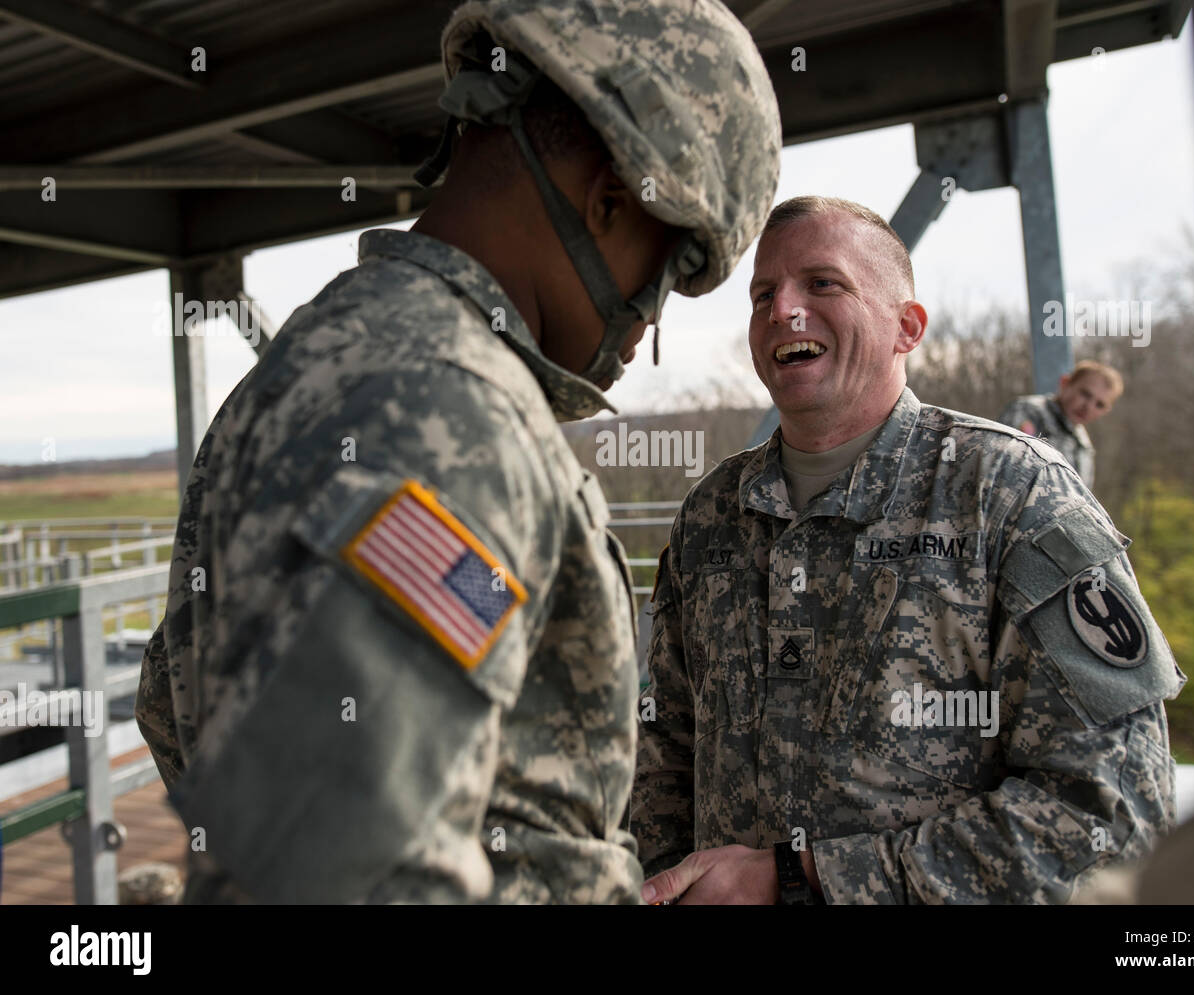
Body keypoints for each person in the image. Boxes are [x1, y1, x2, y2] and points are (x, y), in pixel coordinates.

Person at [134, 0, 781, 904]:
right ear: (610, 201)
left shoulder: (321, 359)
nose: (650, 327)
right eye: (668, 271)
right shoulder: (451, 410)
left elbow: (174, 705)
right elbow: (348, 866)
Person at [631, 196, 1184, 905]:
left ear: (907, 327)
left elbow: (1116, 812)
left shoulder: (1012, 494)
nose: (782, 309)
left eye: (822, 283)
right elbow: (665, 755)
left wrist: (806, 884)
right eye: (762, 293)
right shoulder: (710, 516)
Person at [998, 361, 1124, 489]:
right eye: (1085, 394)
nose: (1088, 407)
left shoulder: (1084, 445)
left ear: (1105, 411)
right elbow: (1005, 471)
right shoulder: (1029, 412)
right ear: (1065, 383)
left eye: (1099, 405)